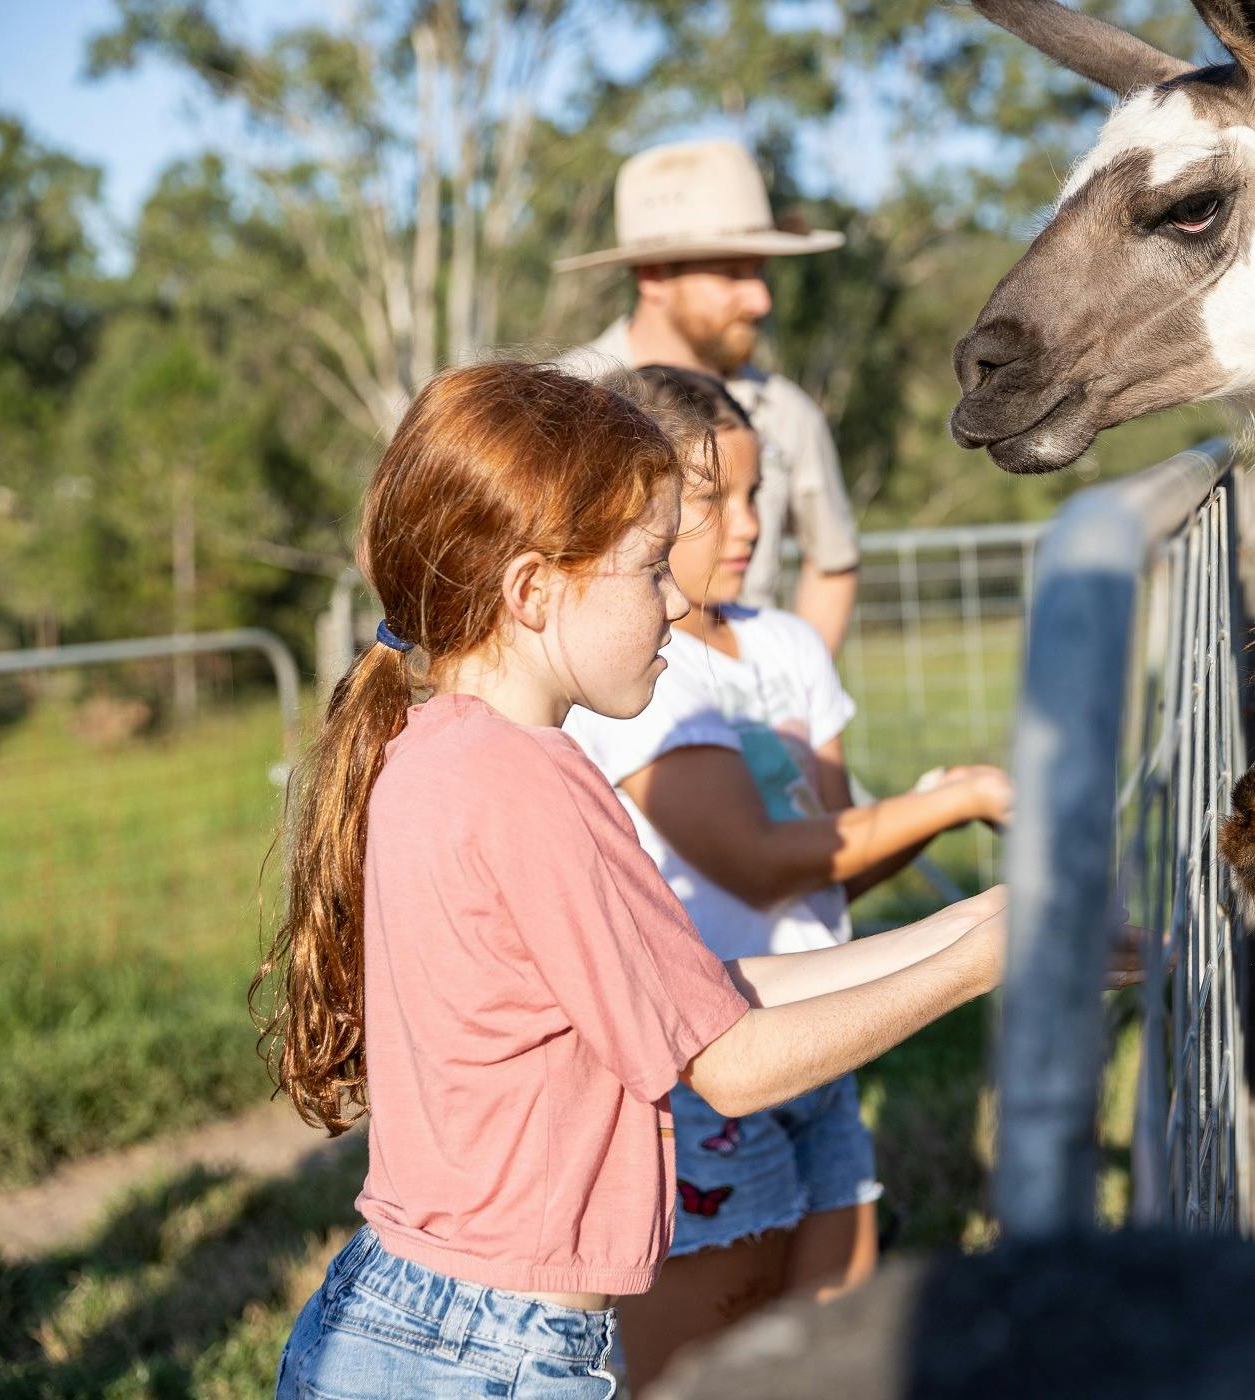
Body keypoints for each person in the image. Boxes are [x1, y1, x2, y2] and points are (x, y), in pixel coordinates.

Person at [261, 360, 1008, 1398]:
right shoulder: (534, 778)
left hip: (405, 1316)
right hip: (494, 1355)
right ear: (531, 589)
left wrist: (971, 922)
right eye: (652, 564)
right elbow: (730, 1059)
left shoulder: (437, 747)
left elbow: (694, 988)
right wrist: (979, 962)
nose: (679, 596)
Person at [565, 365, 1012, 1385]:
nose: (750, 523)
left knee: (832, 1327)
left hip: (823, 1035)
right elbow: (761, 865)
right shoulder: (636, 683)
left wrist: (918, 815)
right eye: (714, 496)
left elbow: (828, 859)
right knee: (709, 1345)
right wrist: (952, 801)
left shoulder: (790, 647)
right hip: (712, 1058)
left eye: (758, 493)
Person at [556, 139, 861, 654]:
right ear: (653, 277)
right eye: (731, 273)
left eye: (760, 272)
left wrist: (800, 693)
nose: (760, 299)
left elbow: (832, 563)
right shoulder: (561, 404)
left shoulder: (785, 412)